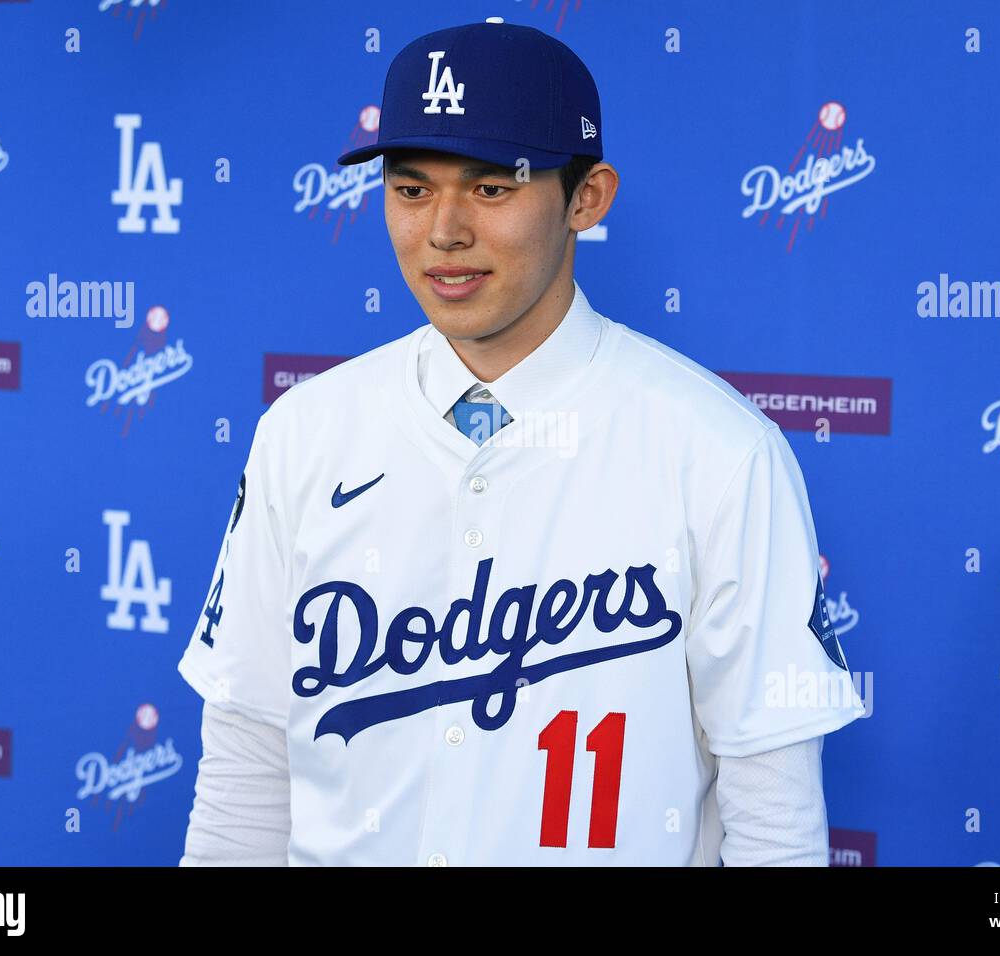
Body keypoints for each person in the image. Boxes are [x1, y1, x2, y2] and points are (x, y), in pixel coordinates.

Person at [177, 18, 865, 867]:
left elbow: (776, 823)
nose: (444, 231)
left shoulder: (719, 453)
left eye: (493, 187)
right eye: (412, 187)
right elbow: (248, 766)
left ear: (588, 196)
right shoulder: (303, 433)